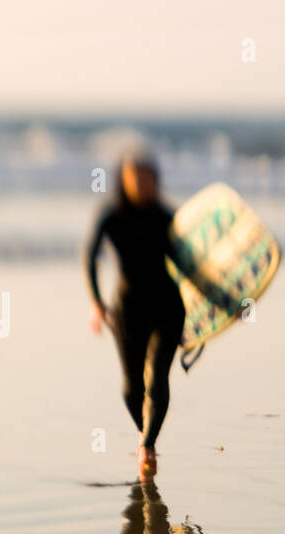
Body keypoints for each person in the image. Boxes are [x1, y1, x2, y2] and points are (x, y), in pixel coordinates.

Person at [84, 151, 185, 480]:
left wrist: (223, 304)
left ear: (156, 181)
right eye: (134, 178)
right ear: (123, 180)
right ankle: (148, 433)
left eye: (146, 178)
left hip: (168, 307)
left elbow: (193, 267)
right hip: (126, 311)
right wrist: (97, 302)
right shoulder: (111, 216)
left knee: (156, 377)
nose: (141, 184)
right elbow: (90, 256)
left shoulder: (168, 217)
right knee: (131, 389)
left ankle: (147, 445)